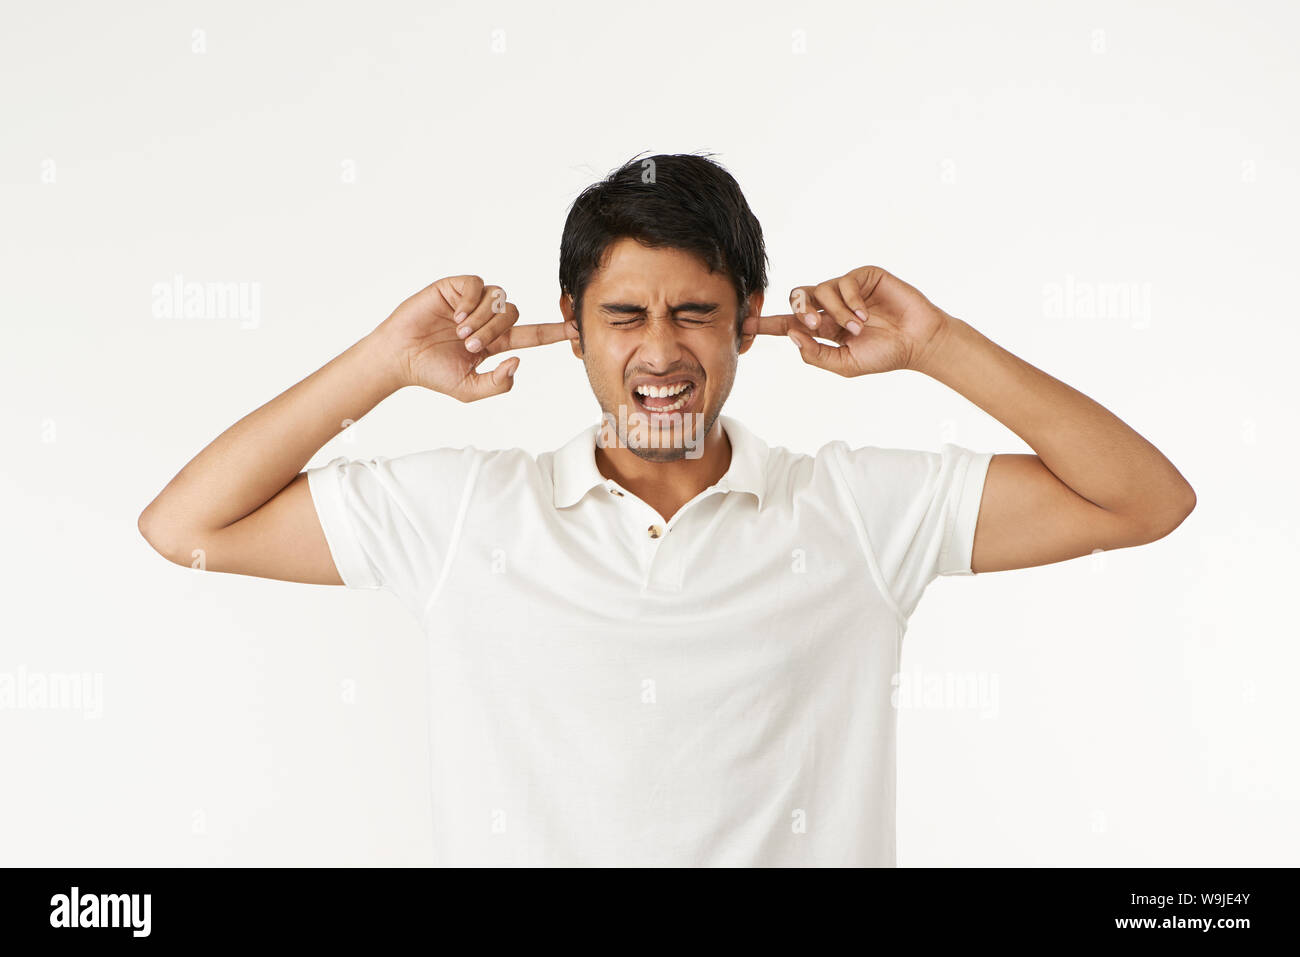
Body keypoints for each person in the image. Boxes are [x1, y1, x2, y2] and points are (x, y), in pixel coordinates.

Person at [138, 152, 1195, 866]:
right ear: (572, 326)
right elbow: (188, 528)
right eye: (624, 315)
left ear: (747, 321)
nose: (658, 353)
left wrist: (934, 345)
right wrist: (381, 363)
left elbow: (1143, 499)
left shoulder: (857, 509)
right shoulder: (464, 511)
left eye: (694, 312)